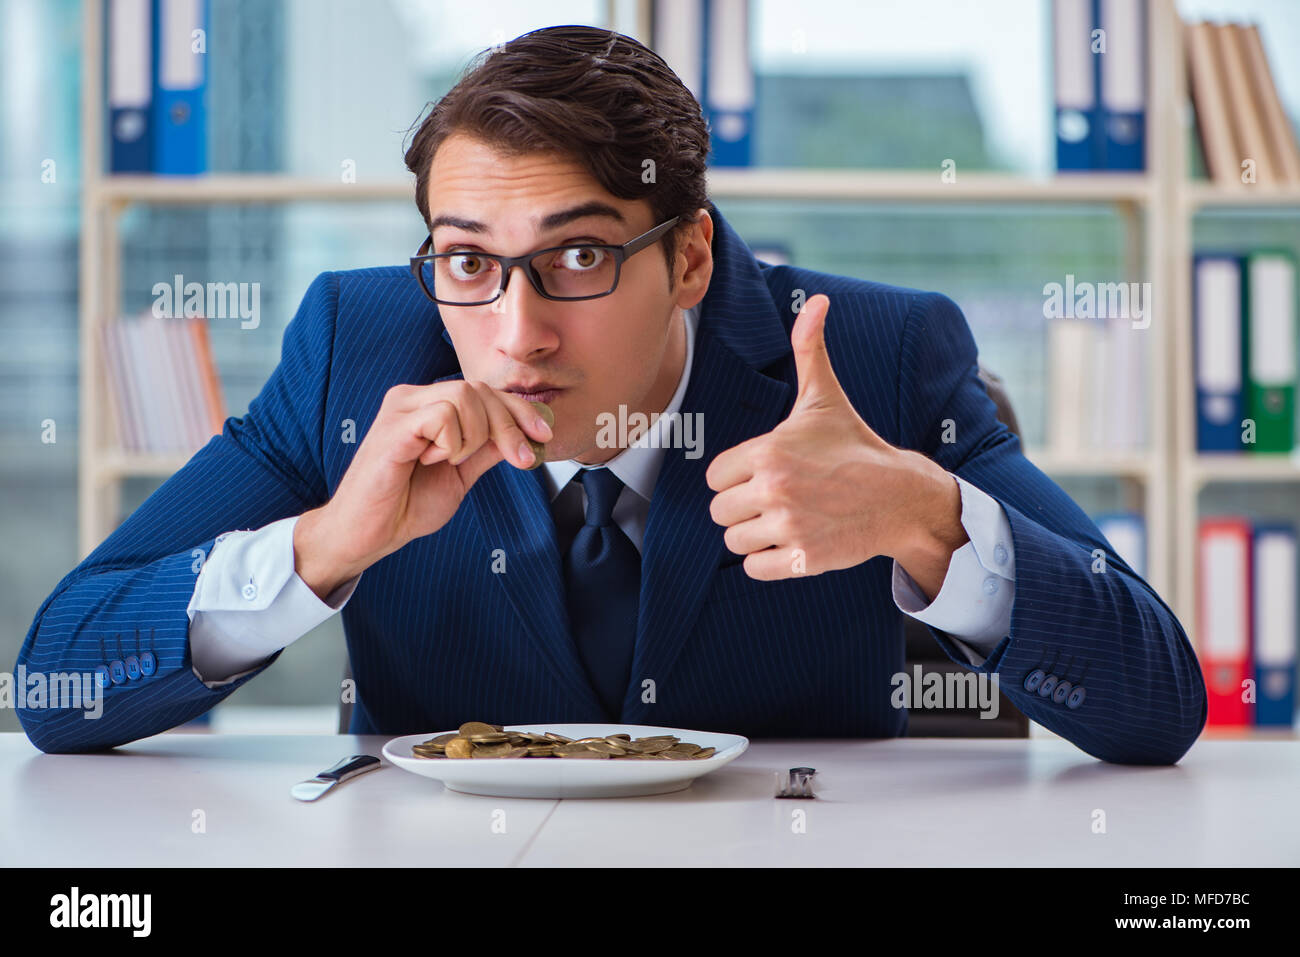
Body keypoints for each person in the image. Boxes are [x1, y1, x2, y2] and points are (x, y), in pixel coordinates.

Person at [18, 25, 1205, 762]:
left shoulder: (871, 356)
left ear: (689, 257)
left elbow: (1156, 702)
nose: (515, 332)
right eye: (469, 260)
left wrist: (926, 519)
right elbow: (53, 683)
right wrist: (321, 549)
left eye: (580, 257)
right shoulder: (357, 345)